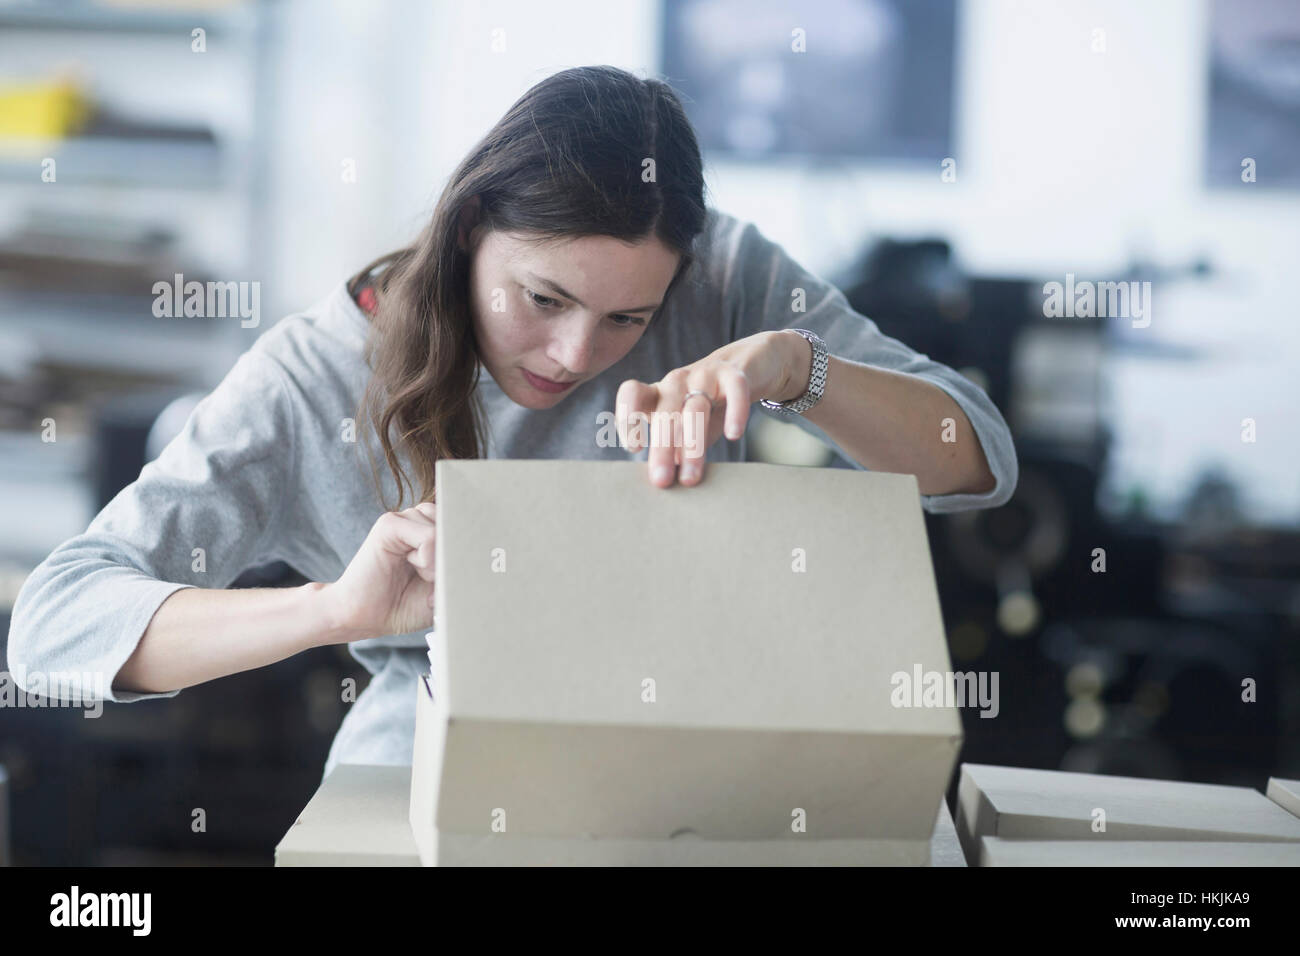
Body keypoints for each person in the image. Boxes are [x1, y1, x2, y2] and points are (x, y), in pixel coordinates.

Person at [8, 65, 1017, 779]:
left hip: (696, 743)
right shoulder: (309, 377)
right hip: (430, 760)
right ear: (464, 232)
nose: (578, 354)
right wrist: (333, 610)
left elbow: (974, 460)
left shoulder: (727, 277)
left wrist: (797, 366)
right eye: (540, 299)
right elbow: (51, 633)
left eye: (631, 317)